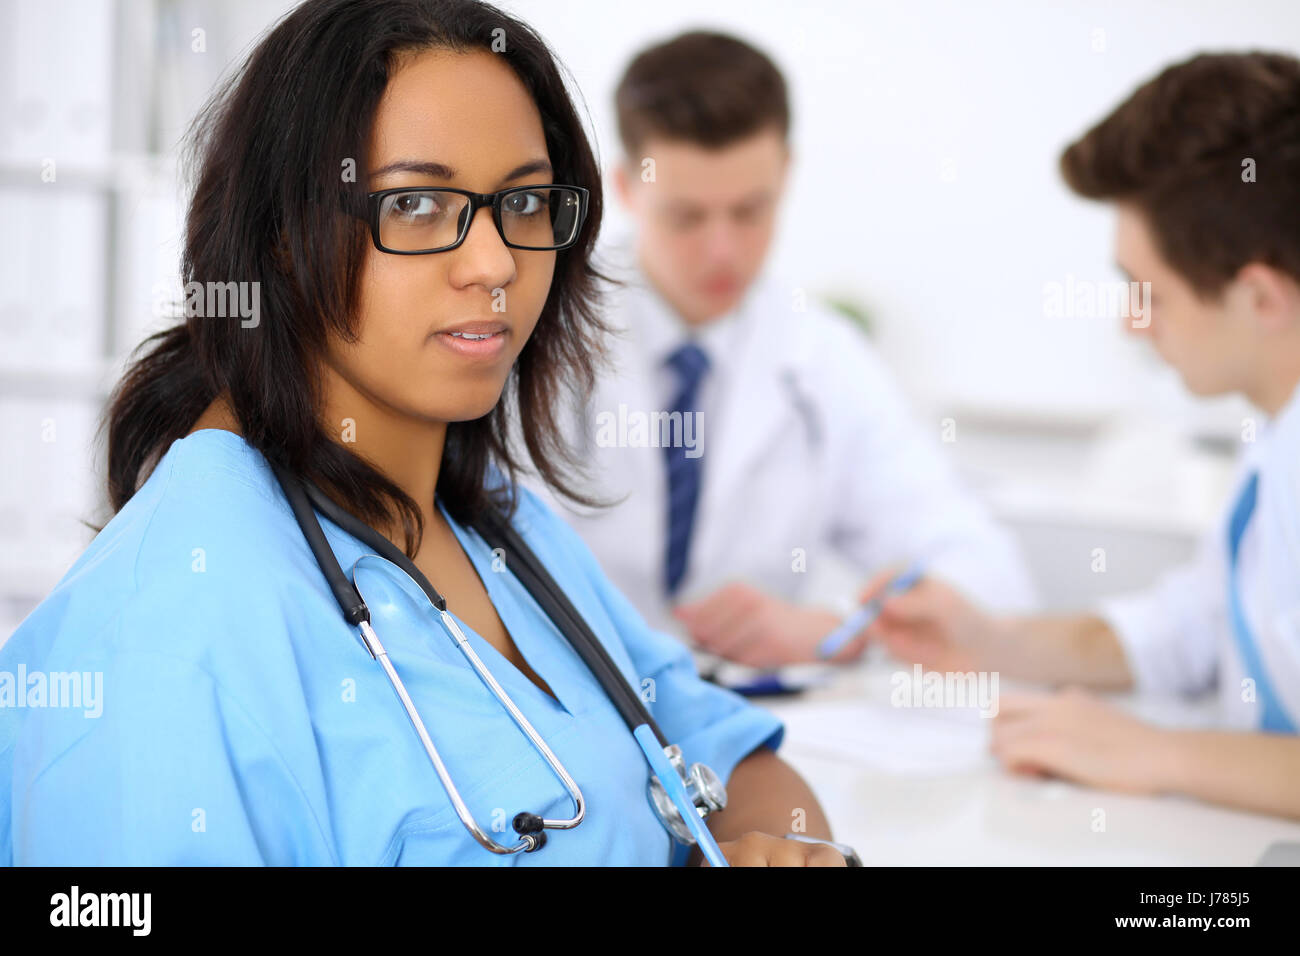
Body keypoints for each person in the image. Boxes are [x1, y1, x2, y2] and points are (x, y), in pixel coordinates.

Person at [0, 0, 850, 866]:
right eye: (414, 203)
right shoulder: (175, 616)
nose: (494, 265)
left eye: (522, 201)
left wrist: (788, 850)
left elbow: (733, 760)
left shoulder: (502, 527)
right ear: (282, 237)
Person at [862, 51, 1300, 819]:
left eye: (1148, 292)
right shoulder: (1275, 442)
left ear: (1259, 296)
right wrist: (989, 641)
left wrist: (1159, 754)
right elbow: (1187, 629)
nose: (1133, 322)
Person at [526, 31, 1036, 678]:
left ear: (786, 174)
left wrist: (840, 626)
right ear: (626, 186)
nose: (723, 251)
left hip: (757, 721)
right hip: (570, 706)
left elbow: (989, 577)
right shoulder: (538, 331)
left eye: (750, 211)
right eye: (687, 216)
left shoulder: (823, 357)